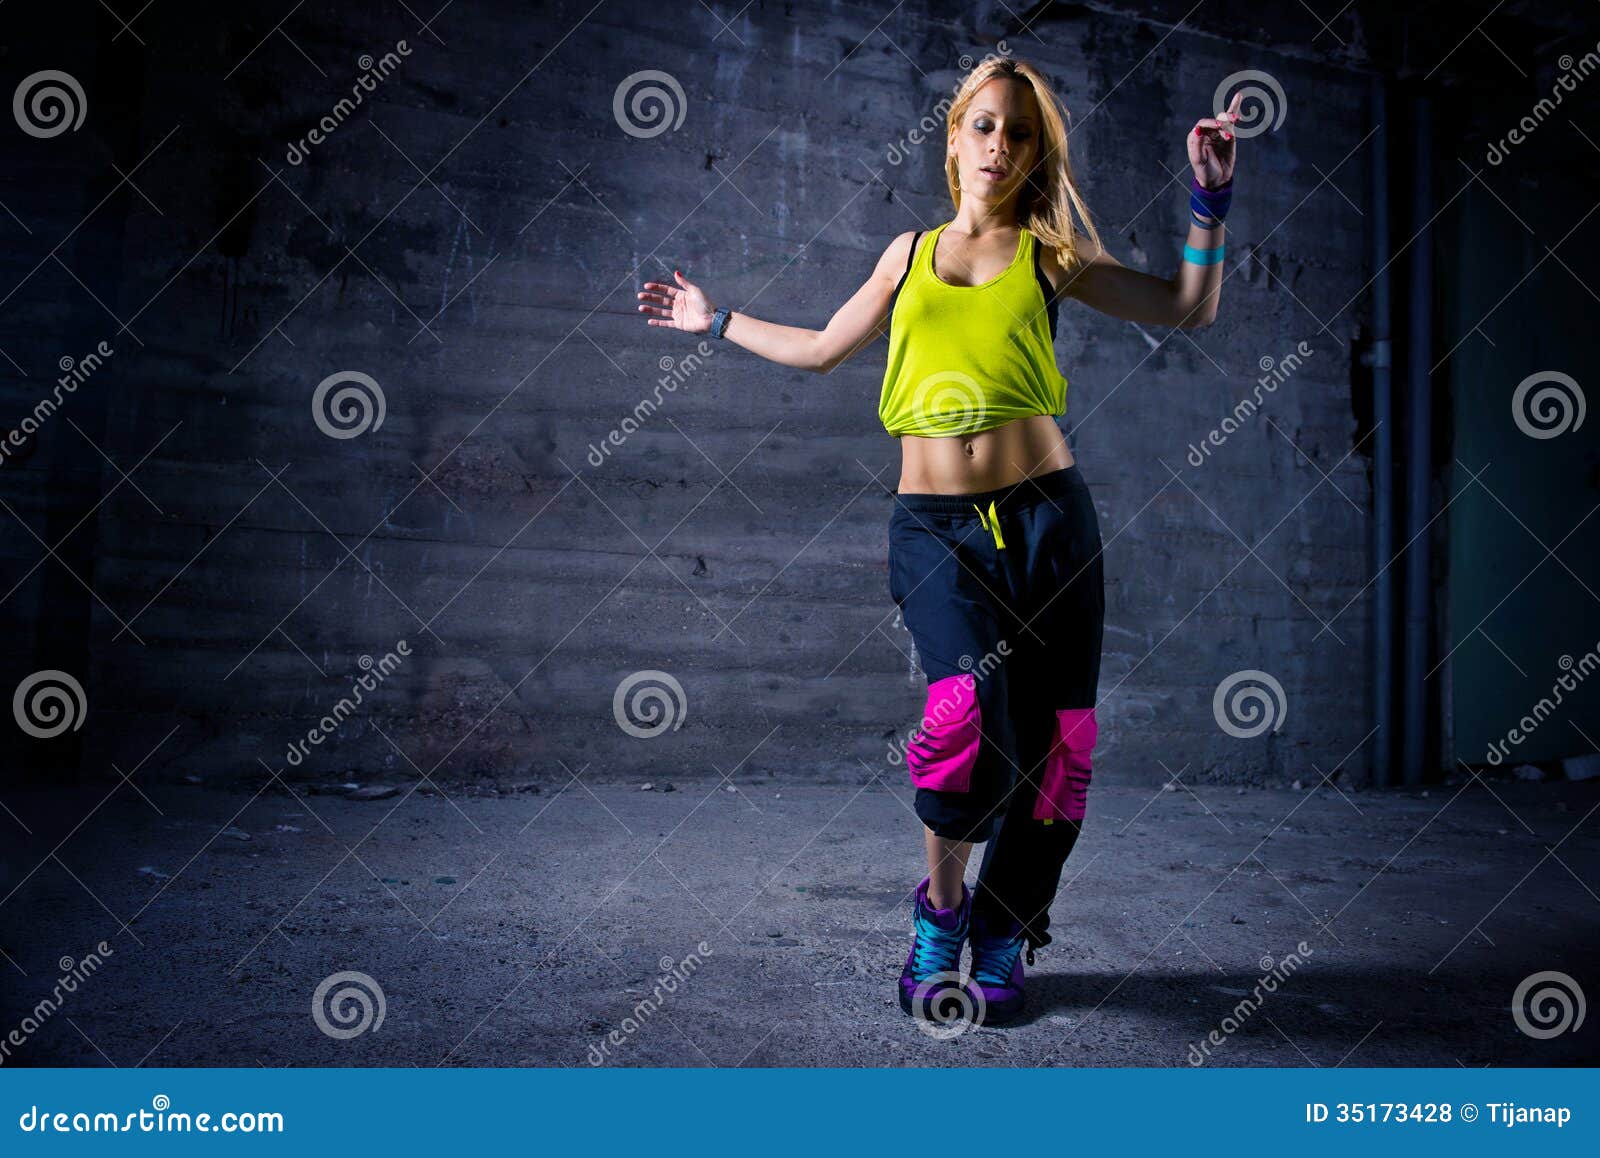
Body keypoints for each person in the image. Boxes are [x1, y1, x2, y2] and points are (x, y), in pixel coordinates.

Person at [638, 56, 1242, 1026]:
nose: (998, 144)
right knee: (962, 715)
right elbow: (825, 347)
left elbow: (1185, 307)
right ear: (953, 135)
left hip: (1049, 519)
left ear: (1033, 151)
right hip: (936, 526)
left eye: (1018, 131)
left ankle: (1005, 933)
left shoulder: (1048, 255)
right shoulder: (906, 254)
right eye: (983, 125)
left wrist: (1211, 199)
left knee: (1057, 751)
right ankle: (943, 912)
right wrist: (716, 323)